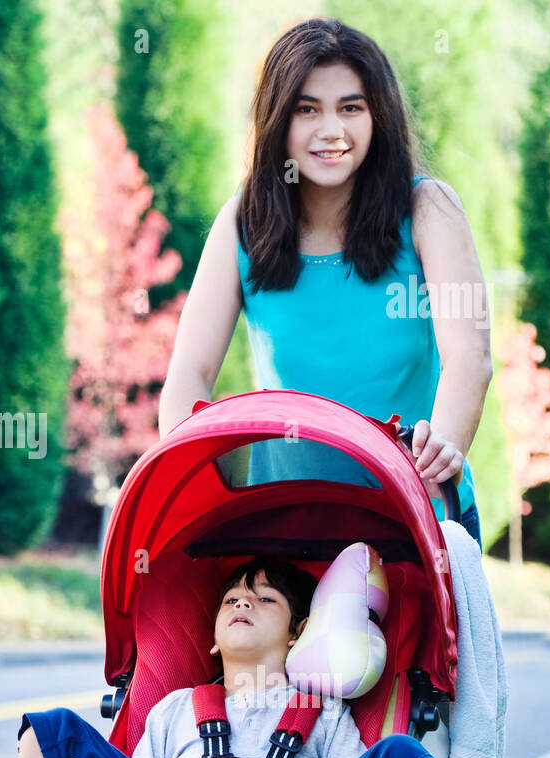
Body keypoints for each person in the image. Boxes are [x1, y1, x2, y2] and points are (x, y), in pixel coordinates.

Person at [156, 18, 491, 550]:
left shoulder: (429, 209)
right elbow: (189, 374)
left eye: (351, 108)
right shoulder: (244, 222)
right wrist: (184, 483)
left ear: (377, 116)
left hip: (410, 514)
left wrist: (439, 455)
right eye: (306, 109)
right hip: (285, 521)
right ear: (277, 120)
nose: (331, 129)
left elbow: (469, 357)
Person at [0, 556, 443, 758]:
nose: (243, 604)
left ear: (299, 633)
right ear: (213, 638)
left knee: (404, 757)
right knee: (52, 729)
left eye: (265, 600)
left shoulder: (323, 711)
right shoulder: (173, 708)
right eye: (231, 601)